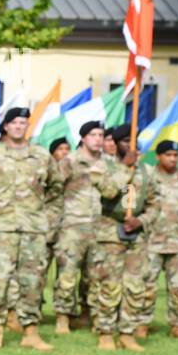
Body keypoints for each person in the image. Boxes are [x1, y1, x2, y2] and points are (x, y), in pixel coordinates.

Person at [0, 107, 62, 350]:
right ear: (5, 126)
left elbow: (56, 188)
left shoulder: (41, 156)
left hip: (32, 229)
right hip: (0, 229)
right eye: (15, 122)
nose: (19, 126)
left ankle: (31, 331)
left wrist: (46, 216)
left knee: (33, 280)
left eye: (23, 122)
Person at [51, 121, 121, 334]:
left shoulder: (110, 163)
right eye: (93, 134)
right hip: (73, 225)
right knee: (68, 273)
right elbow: (54, 190)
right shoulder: (69, 162)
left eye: (101, 135)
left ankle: (87, 314)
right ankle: (63, 317)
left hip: (101, 226)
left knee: (95, 275)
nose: (98, 139)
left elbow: (119, 190)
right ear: (83, 138)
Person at [108, 124, 157, 349]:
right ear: (117, 143)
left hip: (136, 234)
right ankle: (105, 332)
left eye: (133, 140)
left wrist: (141, 220)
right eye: (125, 140)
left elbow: (154, 204)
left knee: (135, 285)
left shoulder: (146, 171)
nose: (130, 145)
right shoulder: (106, 167)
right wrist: (125, 169)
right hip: (109, 233)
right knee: (109, 285)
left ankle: (127, 332)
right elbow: (107, 191)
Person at [137, 140, 178, 338]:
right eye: (168, 155)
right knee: (147, 285)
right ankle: (142, 323)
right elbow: (129, 197)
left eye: (175, 155)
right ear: (159, 156)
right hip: (151, 241)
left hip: (177, 242)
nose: (172, 159)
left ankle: (177, 324)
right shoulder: (147, 177)